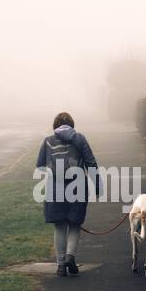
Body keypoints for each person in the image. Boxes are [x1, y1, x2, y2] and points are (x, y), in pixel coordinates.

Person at [36, 111, 99, 276]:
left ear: (55, 126)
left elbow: (40, 166)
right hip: (78, 186)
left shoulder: (48, 141)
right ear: (72, 125)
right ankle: (70, 256)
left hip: (54, 189)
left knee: (59, 225)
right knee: (74, 223)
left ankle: (61, 265)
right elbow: (91, 163)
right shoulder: (80, 139)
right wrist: (98, 187)